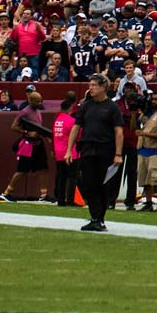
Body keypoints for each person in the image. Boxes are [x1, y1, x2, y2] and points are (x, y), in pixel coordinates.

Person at [68, 73, 124, 232]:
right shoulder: (86, 105)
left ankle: (99, 218)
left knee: (102, 185)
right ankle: (95, 217)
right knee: (89, 184)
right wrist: (69, 149)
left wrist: (118, 154)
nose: (90, 88)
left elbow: (118, 132)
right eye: (90, 85)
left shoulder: (112, 107)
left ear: (103, 87)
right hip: (87, 148)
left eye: (94, 85)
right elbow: (76, 127)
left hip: (105, 149)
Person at [0, 88, 51, 203]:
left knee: (44, 168)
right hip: (28, 144)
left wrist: (47, 136)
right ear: (31, 101)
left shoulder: (38, 110)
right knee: (22, 170)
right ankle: (7, 192)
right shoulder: (24, 112)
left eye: (40, 101)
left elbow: (38, 128)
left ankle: (43, 195)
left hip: (38, 143)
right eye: (38, 102)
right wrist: (27, 132)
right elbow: (13, 127)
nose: (40, 103)